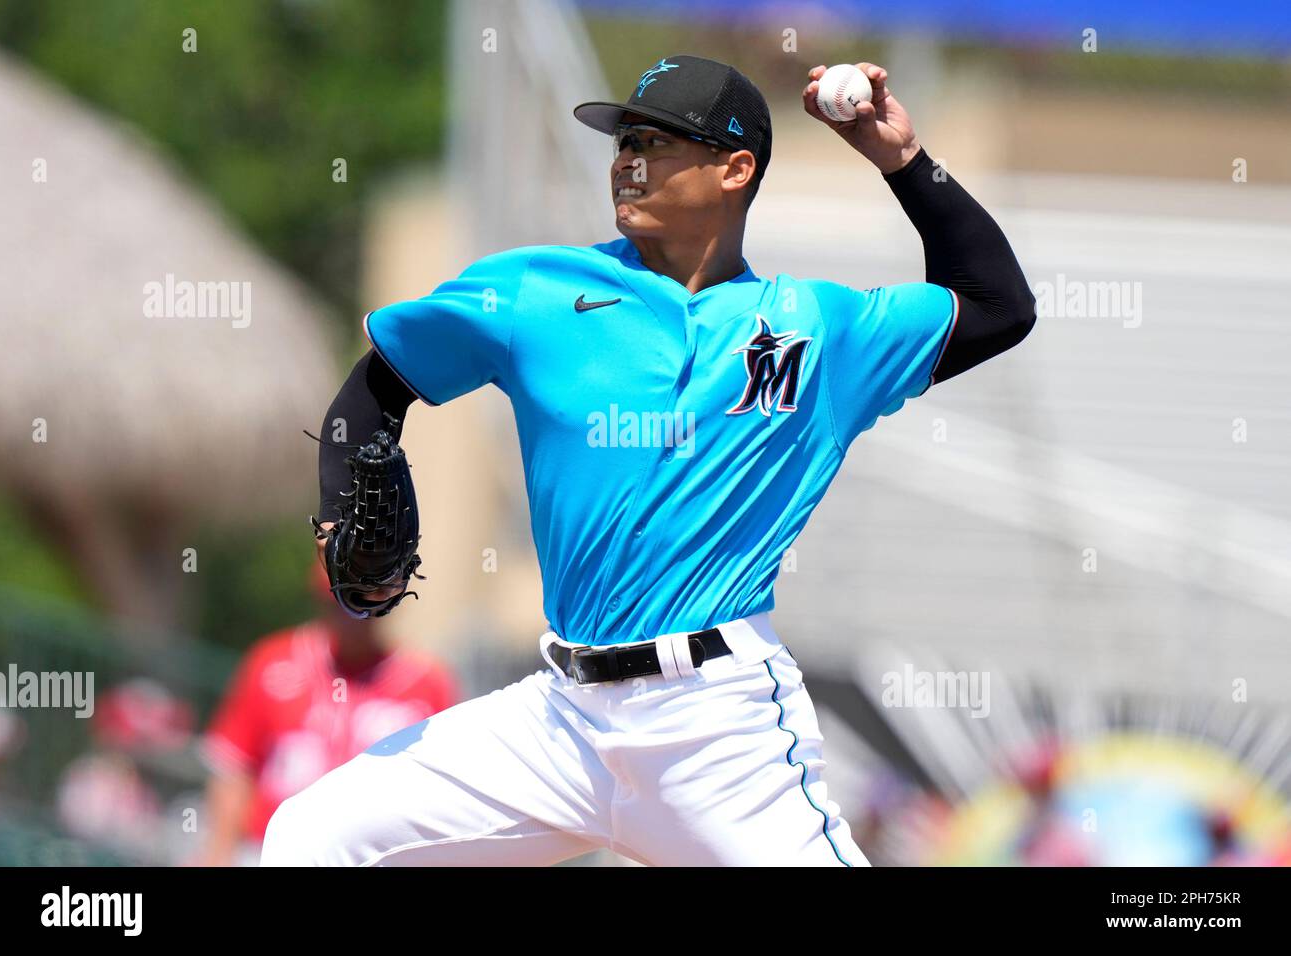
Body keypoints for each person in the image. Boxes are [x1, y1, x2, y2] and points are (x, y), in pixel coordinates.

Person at [262, 54, 1035, 866]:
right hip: (558, 722)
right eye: (623, 139)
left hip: (717, 730)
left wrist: (900, 160)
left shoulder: (818, 328)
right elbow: (374, 389)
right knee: (312, 837)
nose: (627, 159)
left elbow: (997, 304)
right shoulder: (537, 292)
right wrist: (339, 508)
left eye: (660, 141)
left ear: (736, 168)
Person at [198, 561, 458, 865]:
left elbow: (442, 797)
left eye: (365, 600)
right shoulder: (272, 661)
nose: (352, 615)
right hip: (271, 854)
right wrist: (218, 855)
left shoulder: (427, 683)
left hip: (377, 858)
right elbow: (234, 770)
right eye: (341, 599)